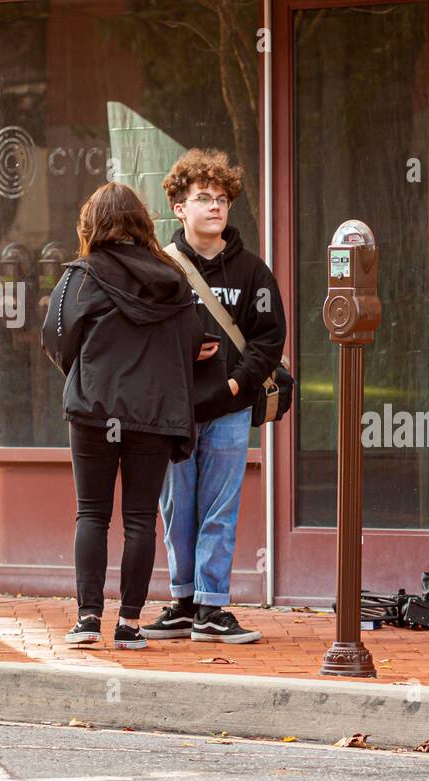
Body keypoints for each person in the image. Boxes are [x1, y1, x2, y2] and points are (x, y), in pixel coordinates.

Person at [41, 182, 220, 650]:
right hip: (154, 416)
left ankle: (86, 620)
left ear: (90, 224)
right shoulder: (172, 278)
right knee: (141, 519)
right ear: (143, 222)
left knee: (92, 515)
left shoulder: (81, 276)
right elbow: (194, 342)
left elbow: (54, 337)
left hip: (94, 412)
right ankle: (131, 624)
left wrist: (87, 372)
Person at [141, 148, 286, 644]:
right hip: (174, 412)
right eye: (203, 197)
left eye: (222, 198)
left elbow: (269, 339)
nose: (215, 206)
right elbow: (142, 335)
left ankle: (212, 607)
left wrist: (234, 384)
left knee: (219, 509)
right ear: (179, 207)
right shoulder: (160, 268)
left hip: (228, 409)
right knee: (176, 507)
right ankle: (182, 602)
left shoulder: (252, 272)